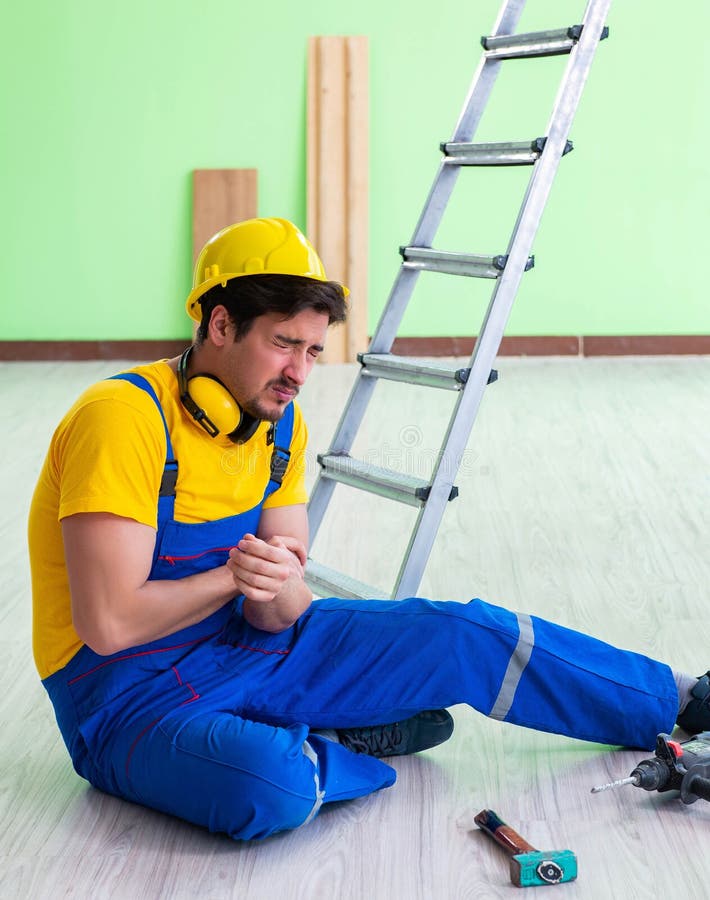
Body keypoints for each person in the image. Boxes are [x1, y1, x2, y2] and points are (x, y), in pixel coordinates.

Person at [29, 217, 710, 842]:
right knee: (269, 786)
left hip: (250, 648)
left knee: (462, 633)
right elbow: (109, 625)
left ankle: (676, 697)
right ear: (219, 324)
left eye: (314, 350)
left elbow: (283, 615)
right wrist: (232, 578)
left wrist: (274, 587)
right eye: (283, 344)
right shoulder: (122, 419)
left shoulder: (279, 424)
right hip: (125, 698)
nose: (299, 372)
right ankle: (335, 735)